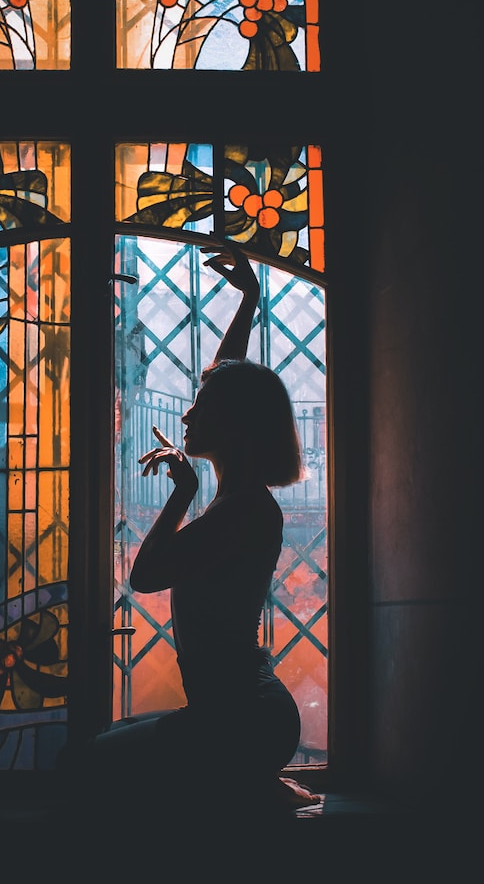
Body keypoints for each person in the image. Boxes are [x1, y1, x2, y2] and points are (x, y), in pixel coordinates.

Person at [65, 243, 321, 828]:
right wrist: (248, 303)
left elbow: (145, 574)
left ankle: (243, 782)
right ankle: (245, 783)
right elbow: (230, 384)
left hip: (244, 721)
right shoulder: (240, 496)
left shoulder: (240, 511)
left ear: (230, 426)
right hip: (241, 715)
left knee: (84, 768)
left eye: (198, 408)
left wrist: (179, 493)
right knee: (104, 750)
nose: (185, 418)